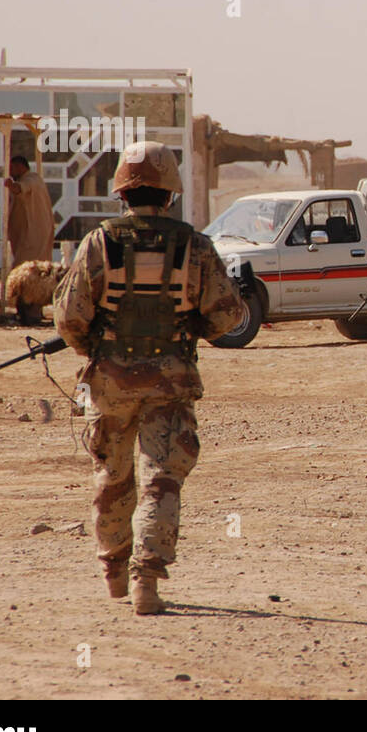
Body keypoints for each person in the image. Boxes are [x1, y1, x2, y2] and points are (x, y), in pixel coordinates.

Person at [54, 141, 244, 615]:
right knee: (161, 479)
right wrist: (195, 327)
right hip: (171, 384)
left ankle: (113, 572)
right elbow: (227, 317)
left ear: (121, 193)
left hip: (110, 383)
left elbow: (69, 316)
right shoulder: (195, 246)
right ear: (171, 194)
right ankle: (147, 579)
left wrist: (96, 351)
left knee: (112, 476)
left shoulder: (100, 242)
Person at [5, 154, 54, 266]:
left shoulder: (31, 179)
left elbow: (20, 188)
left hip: (32, 234)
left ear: (20, 167)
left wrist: (10, 185)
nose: (10, 172)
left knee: (26, 266)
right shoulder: (33, 179)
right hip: (29, 232)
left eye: (11, 168)